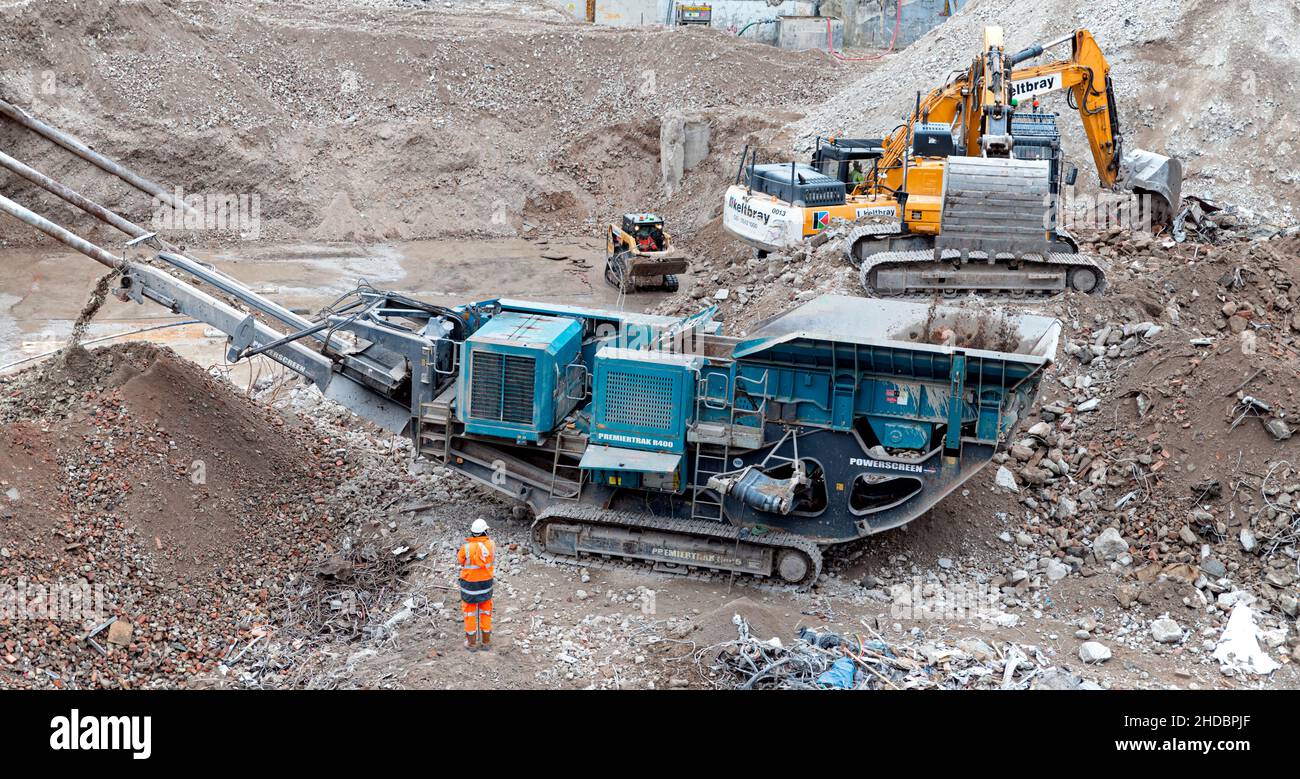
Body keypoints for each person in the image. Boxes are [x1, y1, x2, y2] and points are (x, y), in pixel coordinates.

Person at [458, 518, 495, 651]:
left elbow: (460, 561)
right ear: (485, 531)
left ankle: (472, 644)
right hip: (486, 586)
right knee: (486, 612)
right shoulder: (491, 545)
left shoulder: (466, 548)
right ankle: (486, 642)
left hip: (469, 588)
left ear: (473, 533)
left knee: (470, 614)